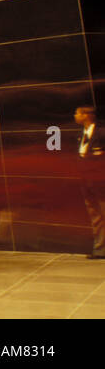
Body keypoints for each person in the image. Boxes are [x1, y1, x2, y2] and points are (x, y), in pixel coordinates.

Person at [77, 107, 105, 259]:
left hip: (100, 181)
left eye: (77, 113)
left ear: (86, 115)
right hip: (86, 181)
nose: (75, 116)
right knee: (96, 216)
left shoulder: (101, 132)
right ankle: (100, 250)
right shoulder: (81, 134)